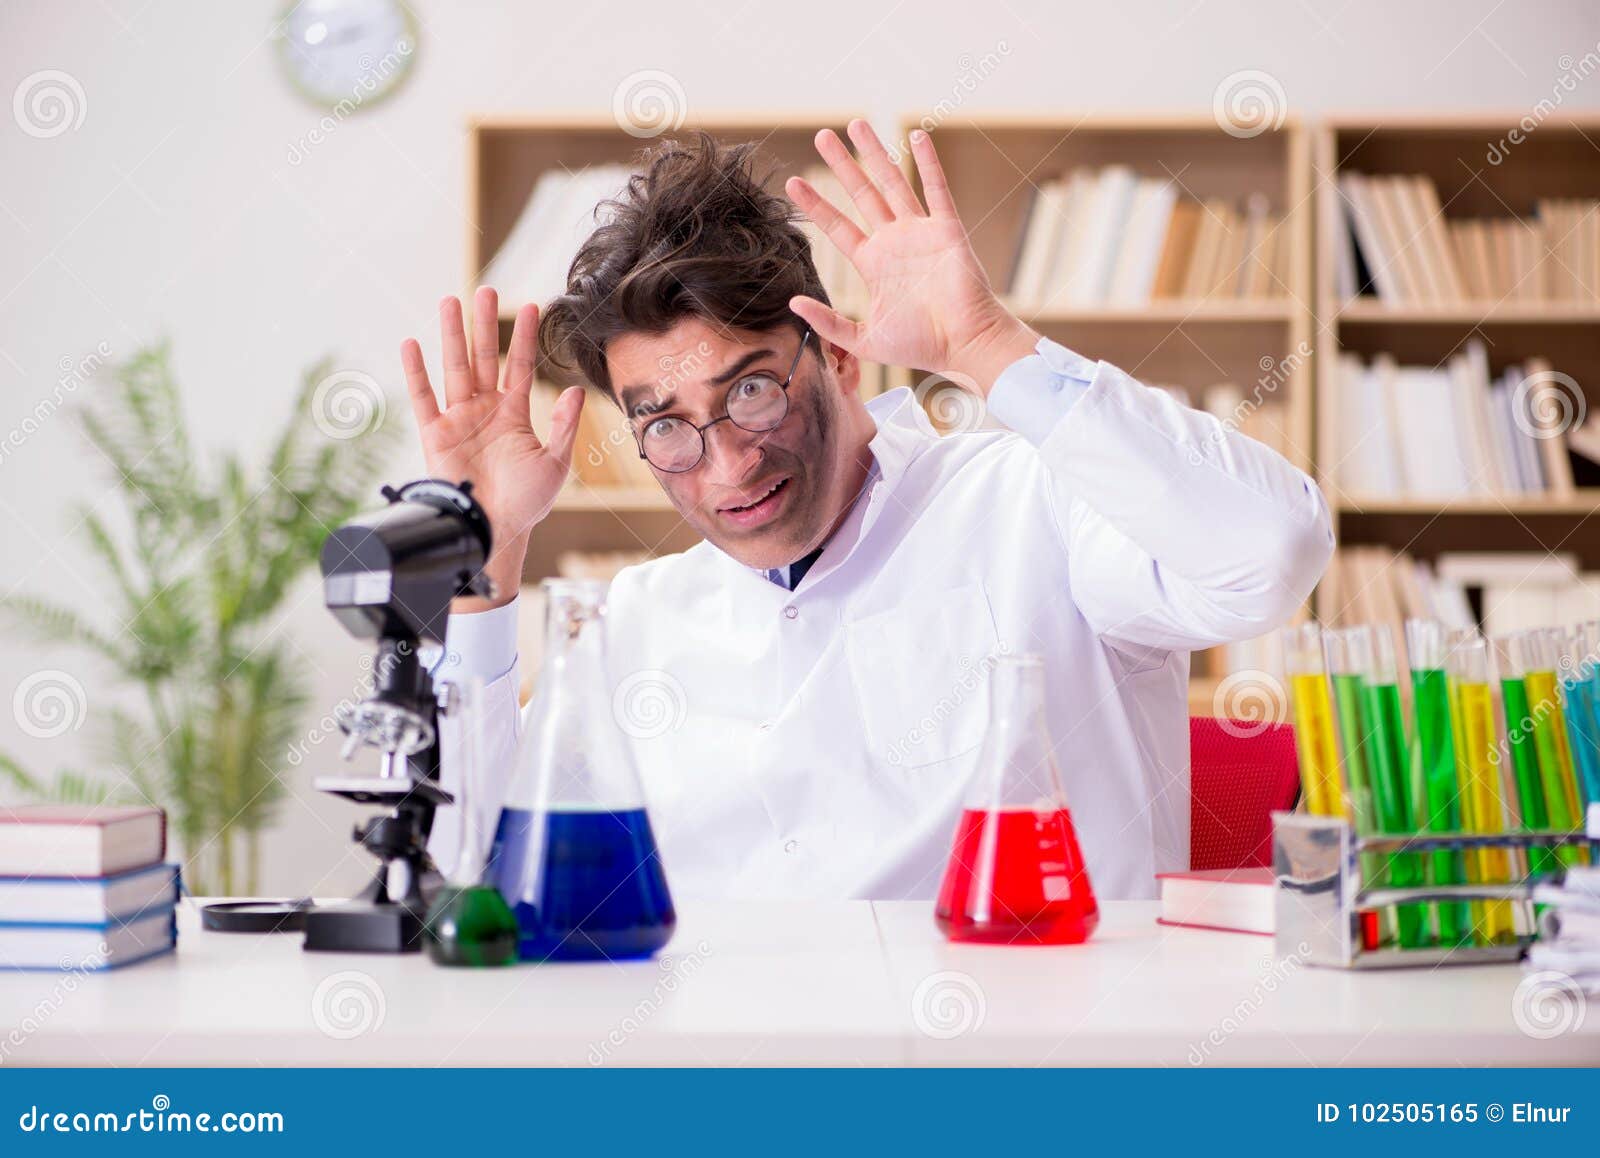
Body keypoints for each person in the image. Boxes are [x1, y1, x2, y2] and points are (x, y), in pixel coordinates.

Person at [405, 120, 1332, 901]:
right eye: (668, 428)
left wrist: (986, 345)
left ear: (838, 358)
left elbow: (1270, 555)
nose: (728, 461)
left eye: (755, 391)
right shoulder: (634, 623)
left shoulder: (1038, 503)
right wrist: (490, 558)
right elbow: (468, 873)